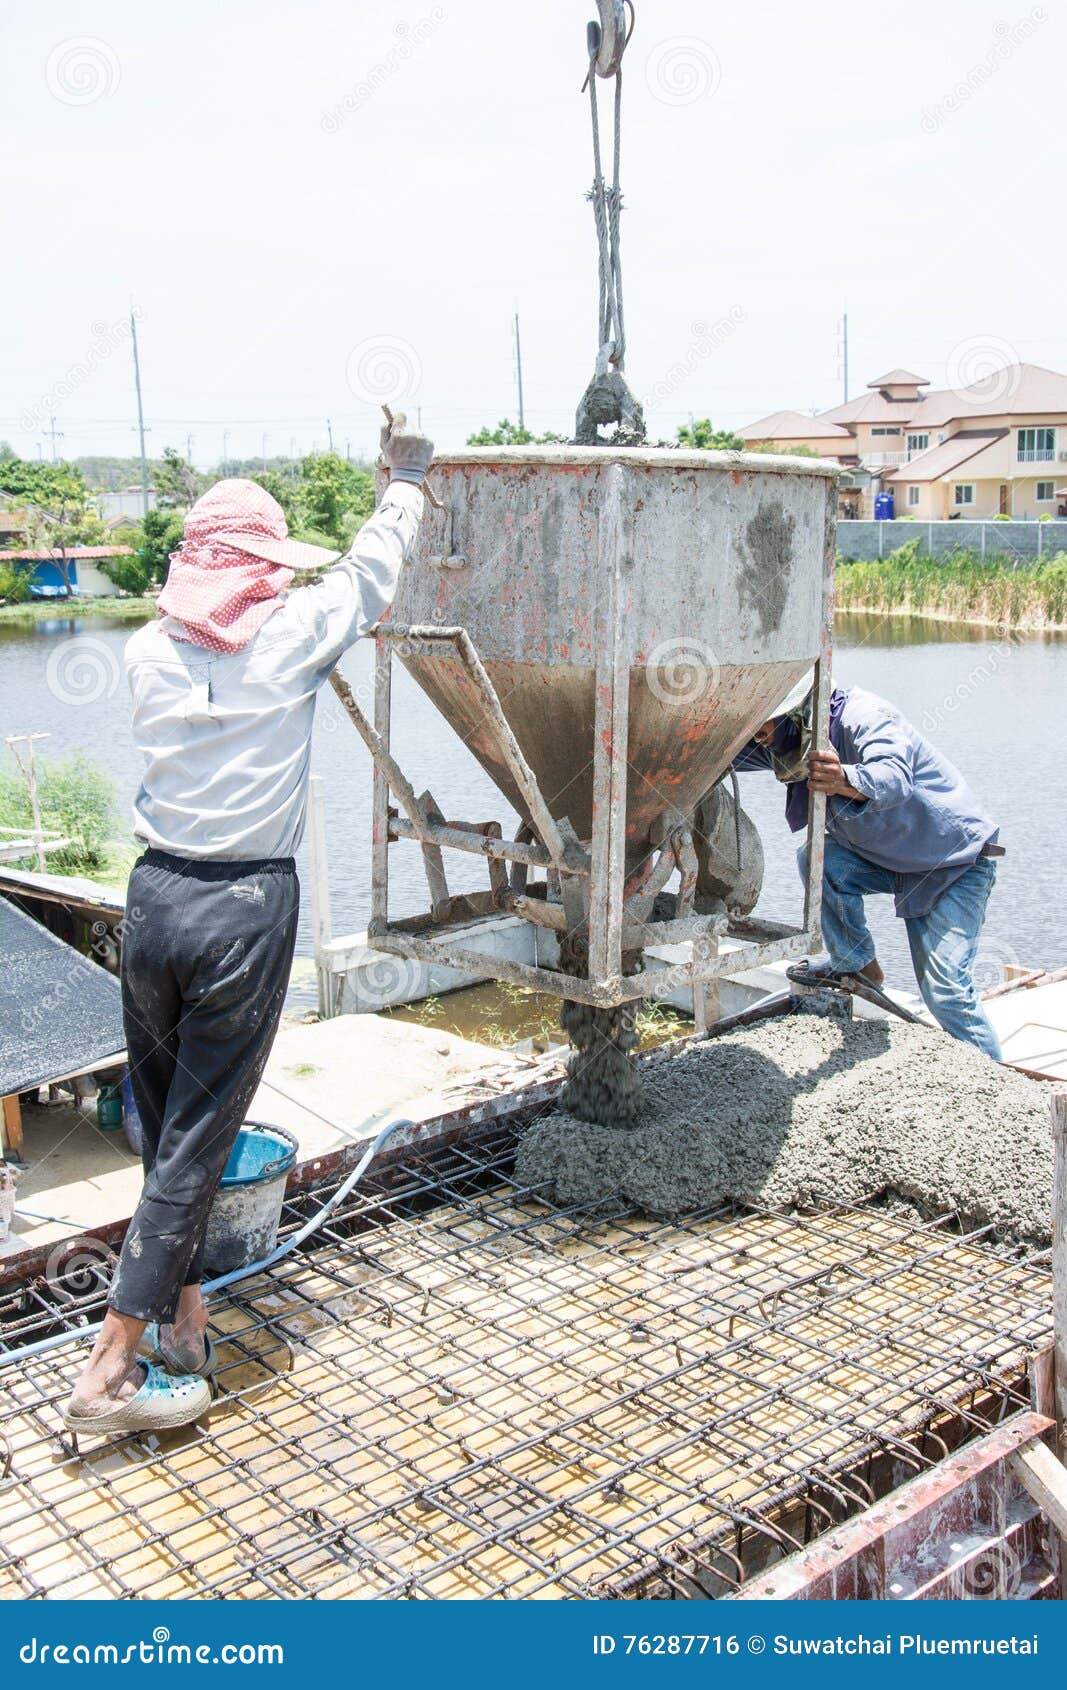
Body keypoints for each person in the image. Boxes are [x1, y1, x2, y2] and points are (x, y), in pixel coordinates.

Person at [63, 413, 434, 1434]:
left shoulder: (144, 650)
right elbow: (368, 572)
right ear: (260, 571)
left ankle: (183, 1319)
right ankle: (108, 1367)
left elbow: (260, 606)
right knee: (199, 1138)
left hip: (153, 903)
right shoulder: (290, 636)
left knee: (164, 1124)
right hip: (240, 910)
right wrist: (402, 477)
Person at [737, 676, 1003, 1060]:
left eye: (762, 726)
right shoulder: (786, 740)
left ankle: (996, 1087)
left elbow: (895, 776)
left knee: (945, 991)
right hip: (890, 859)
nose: (760, 738)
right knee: (816, 858)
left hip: (951, 864)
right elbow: (727, 754)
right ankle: (857, 964)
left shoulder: (864, 716)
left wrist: (846, 778)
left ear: (791, 712)